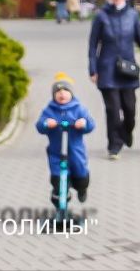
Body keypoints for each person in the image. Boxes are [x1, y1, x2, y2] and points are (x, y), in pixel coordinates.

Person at [88, 0, 140, 159]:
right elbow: (92, 45)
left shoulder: (132, 15)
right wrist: (93, 69)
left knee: (130, 109)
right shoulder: (101, 16)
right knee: (113, 109)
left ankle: (126, 131)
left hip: (127, 69)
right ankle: (114, 145)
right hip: (107, 69)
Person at [35, 73, 95, 206]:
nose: (62, 94)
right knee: (57, 178)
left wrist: (83, 123)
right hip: (56, 151)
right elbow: (39, 125)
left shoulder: (79, 109)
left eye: (65, 91)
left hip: (75, 151)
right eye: (58, 91)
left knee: (80, 174)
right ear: (54, 94)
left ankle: (81, 188)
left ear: (71, 93)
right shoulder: (49, 110)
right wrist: (46, 123)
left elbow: (91, 124)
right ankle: (60, 203)